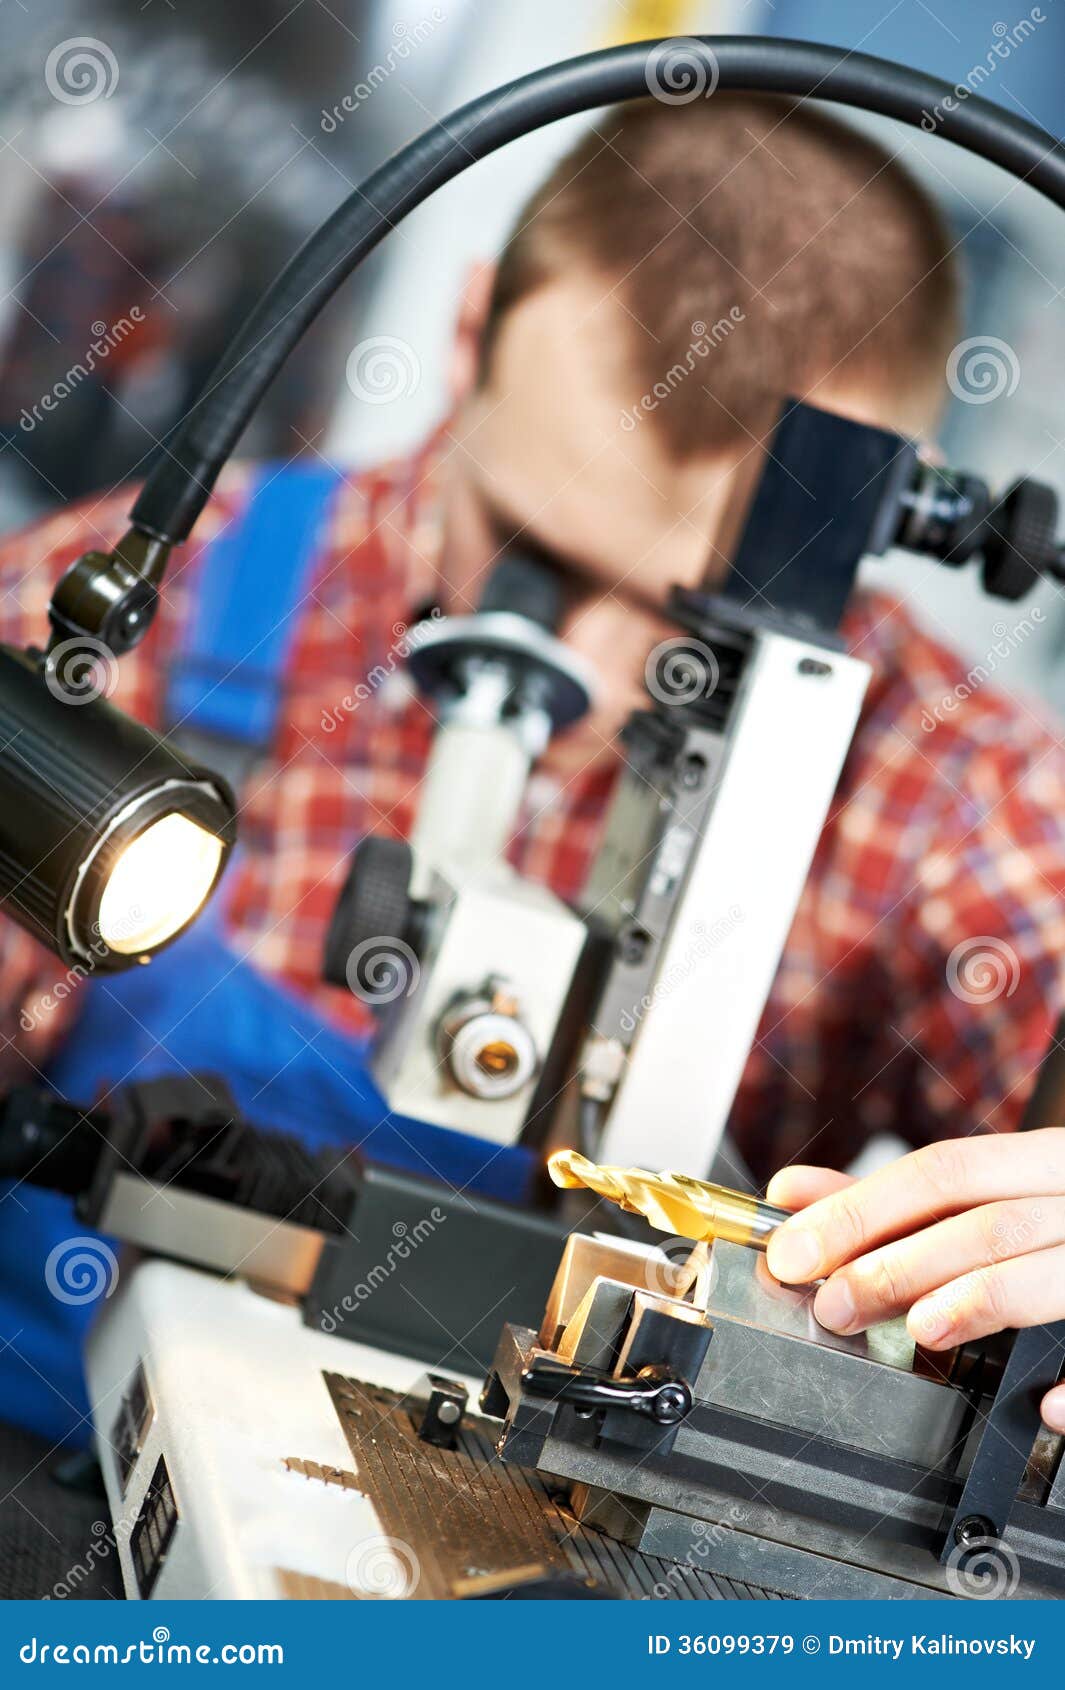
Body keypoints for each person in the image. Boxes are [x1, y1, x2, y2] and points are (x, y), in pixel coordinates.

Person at [1, 94, 1064, 1447]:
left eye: (694, 628)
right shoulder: (136, 601)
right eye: (536, 562)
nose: (605, 682)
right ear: (466, 333)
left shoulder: (940, 776)